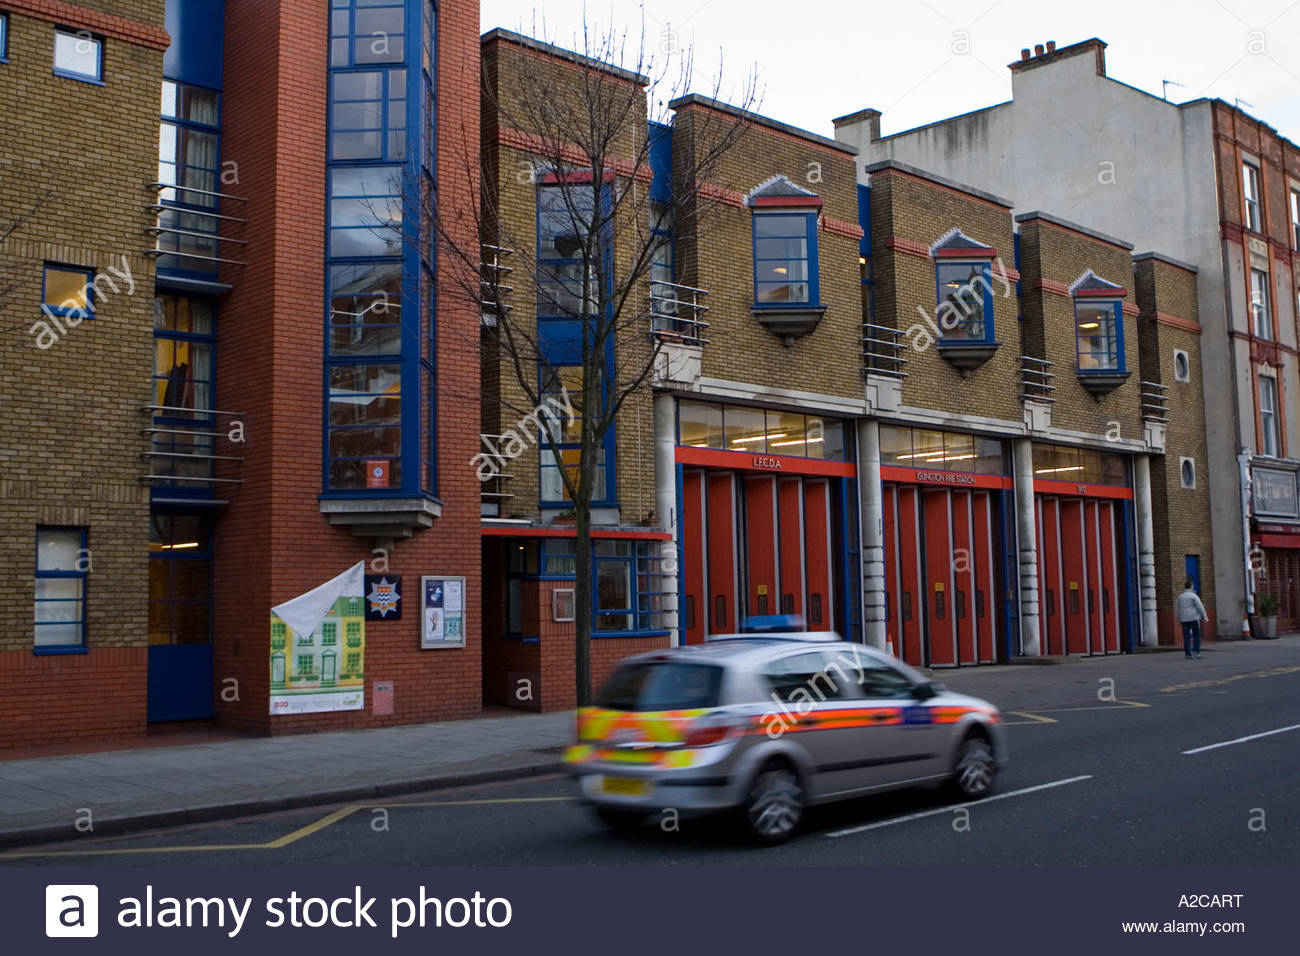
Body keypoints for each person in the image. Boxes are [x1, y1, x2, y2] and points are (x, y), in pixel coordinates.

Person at [1176, 577, 1209, 659]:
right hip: (1193, 618)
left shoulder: (1180, 597)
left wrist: (1179, 618)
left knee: (1186, 636)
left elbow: (1177, 608)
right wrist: (1204, 617)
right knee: (1196, 635)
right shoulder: (1194, 596)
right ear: (1191, 587)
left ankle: (1187, 653)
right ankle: (1196, 652)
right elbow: (1200, 607)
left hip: (1184, 619)